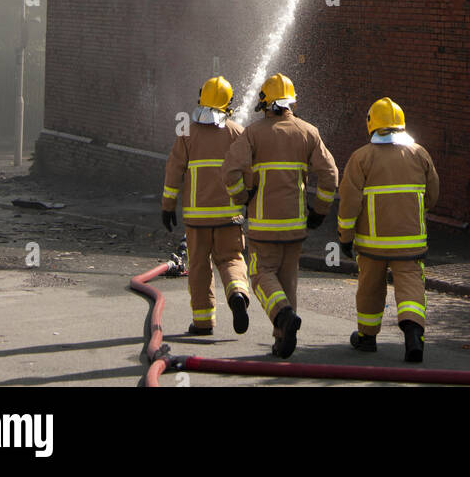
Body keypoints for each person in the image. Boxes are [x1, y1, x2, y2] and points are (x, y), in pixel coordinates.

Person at [221, 72, 338, 358]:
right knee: (288, 281)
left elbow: (229, 171)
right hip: (296, 227)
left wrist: (242, 196)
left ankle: (282, 314)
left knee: (261, 275)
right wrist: (319, 212)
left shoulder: (253, 133)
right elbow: (330, 176)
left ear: (266, 104)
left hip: (264, 226)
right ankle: (283, 338)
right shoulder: (308, 132)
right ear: (290, 103)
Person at [337, 97, 439, 363]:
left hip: (373, 243)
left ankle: (367, 337)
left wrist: (345, 238)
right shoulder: (419, 154)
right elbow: (432, 195)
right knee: (411, 288)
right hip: (410, 241)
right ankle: (414, 336)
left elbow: (349, 203)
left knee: (370, 288)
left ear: (371, 124)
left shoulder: (361, 158)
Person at [161, 75, 251, 336]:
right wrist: (249, 202)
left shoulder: (187, 132)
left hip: (196, 220)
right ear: (229, 103)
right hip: (229, 218)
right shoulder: (238, 133)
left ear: (201, 98)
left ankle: (203, 322)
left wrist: (167, 206)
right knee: (232, 259)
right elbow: (250, 174)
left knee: (199, 268)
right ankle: (237, 293)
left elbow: (173, 171)